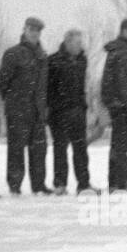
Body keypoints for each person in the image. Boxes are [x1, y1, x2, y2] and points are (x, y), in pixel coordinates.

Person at [0, 16, 51, 195]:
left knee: (39, 150)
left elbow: (45, 85)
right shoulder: (13, 53)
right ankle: (15, 185)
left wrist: (43, 106)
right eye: (32, 30)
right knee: (16, 149)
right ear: (25, 30)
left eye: (38, 31)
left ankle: (39, 185)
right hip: (18, 110)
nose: (35, 33)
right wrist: (14, 101)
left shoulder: (43, 56)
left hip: (38, 110)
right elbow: (2, 81)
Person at [47, 29, 94, 194]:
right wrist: (51, 109)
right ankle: (60, 184)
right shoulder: (53, 61)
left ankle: (84, 184)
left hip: (78, 111)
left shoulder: (82, 61)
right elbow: (48, 89)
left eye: (81, 43)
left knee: (81, 149)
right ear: (67, 42)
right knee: (60, 149)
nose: (80, 46)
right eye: (77, 42)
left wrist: (84, 107)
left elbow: (83, 87)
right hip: (59, 112)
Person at [100, 19, 127, 192]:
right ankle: (121, 183)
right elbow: (125, 83)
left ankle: (114, 182)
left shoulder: (117, 50)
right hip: (124, 107)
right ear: (125, 31)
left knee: (117, 146)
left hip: (117, 105)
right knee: (122, 146)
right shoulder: (124, 52)